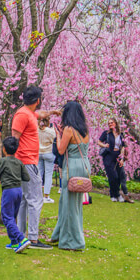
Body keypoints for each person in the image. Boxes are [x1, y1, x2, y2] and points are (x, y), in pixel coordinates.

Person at [11, 85, 60, 250]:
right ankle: (32, 238)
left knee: (25, 199)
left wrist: (53, 112)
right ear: (38, 100)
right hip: (26, 162)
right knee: (36, 199)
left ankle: (20, 237)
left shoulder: (30, 113)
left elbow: (41, 114)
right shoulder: (22, 115)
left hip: (28, 161)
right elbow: (14, 139)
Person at [51, 101, 91, 251]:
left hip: (72, 165)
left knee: (69, 205)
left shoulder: (69, 129)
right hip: (84, 165)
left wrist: (57, 135)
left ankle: (73, 241)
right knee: (72, 203)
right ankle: (60, 234)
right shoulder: (84, 130)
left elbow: (61, 150)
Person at [0, 136, 32, 253]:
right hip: (18, 191)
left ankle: (21, 238)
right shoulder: (19, 162)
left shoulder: (2, 161)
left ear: (4, 149)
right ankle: (14, 242)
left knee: (7, 217)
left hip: (8, 190)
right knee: (13, 216)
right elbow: (27, 177)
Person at [98, 118, 127, 203]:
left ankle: (114, 195)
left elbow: (123, 147)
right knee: (113, 176)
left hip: (117, 156)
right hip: (108, 156)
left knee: (118, 177)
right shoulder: (106, 133)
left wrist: (122, 158)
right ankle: (116, 195)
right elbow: (99, 142)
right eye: (109, 123)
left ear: (116, 123)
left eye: (112, 123)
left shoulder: (121, 134)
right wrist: (104, 145)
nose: (110, 124)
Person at [38, 118, 56, 204]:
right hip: (48, 152)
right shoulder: (51, 131)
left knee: (39, 173)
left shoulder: (36, 130)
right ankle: (46, 196)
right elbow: (54, 140)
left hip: (39, 152)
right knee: (48, 174)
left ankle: (37, 194)